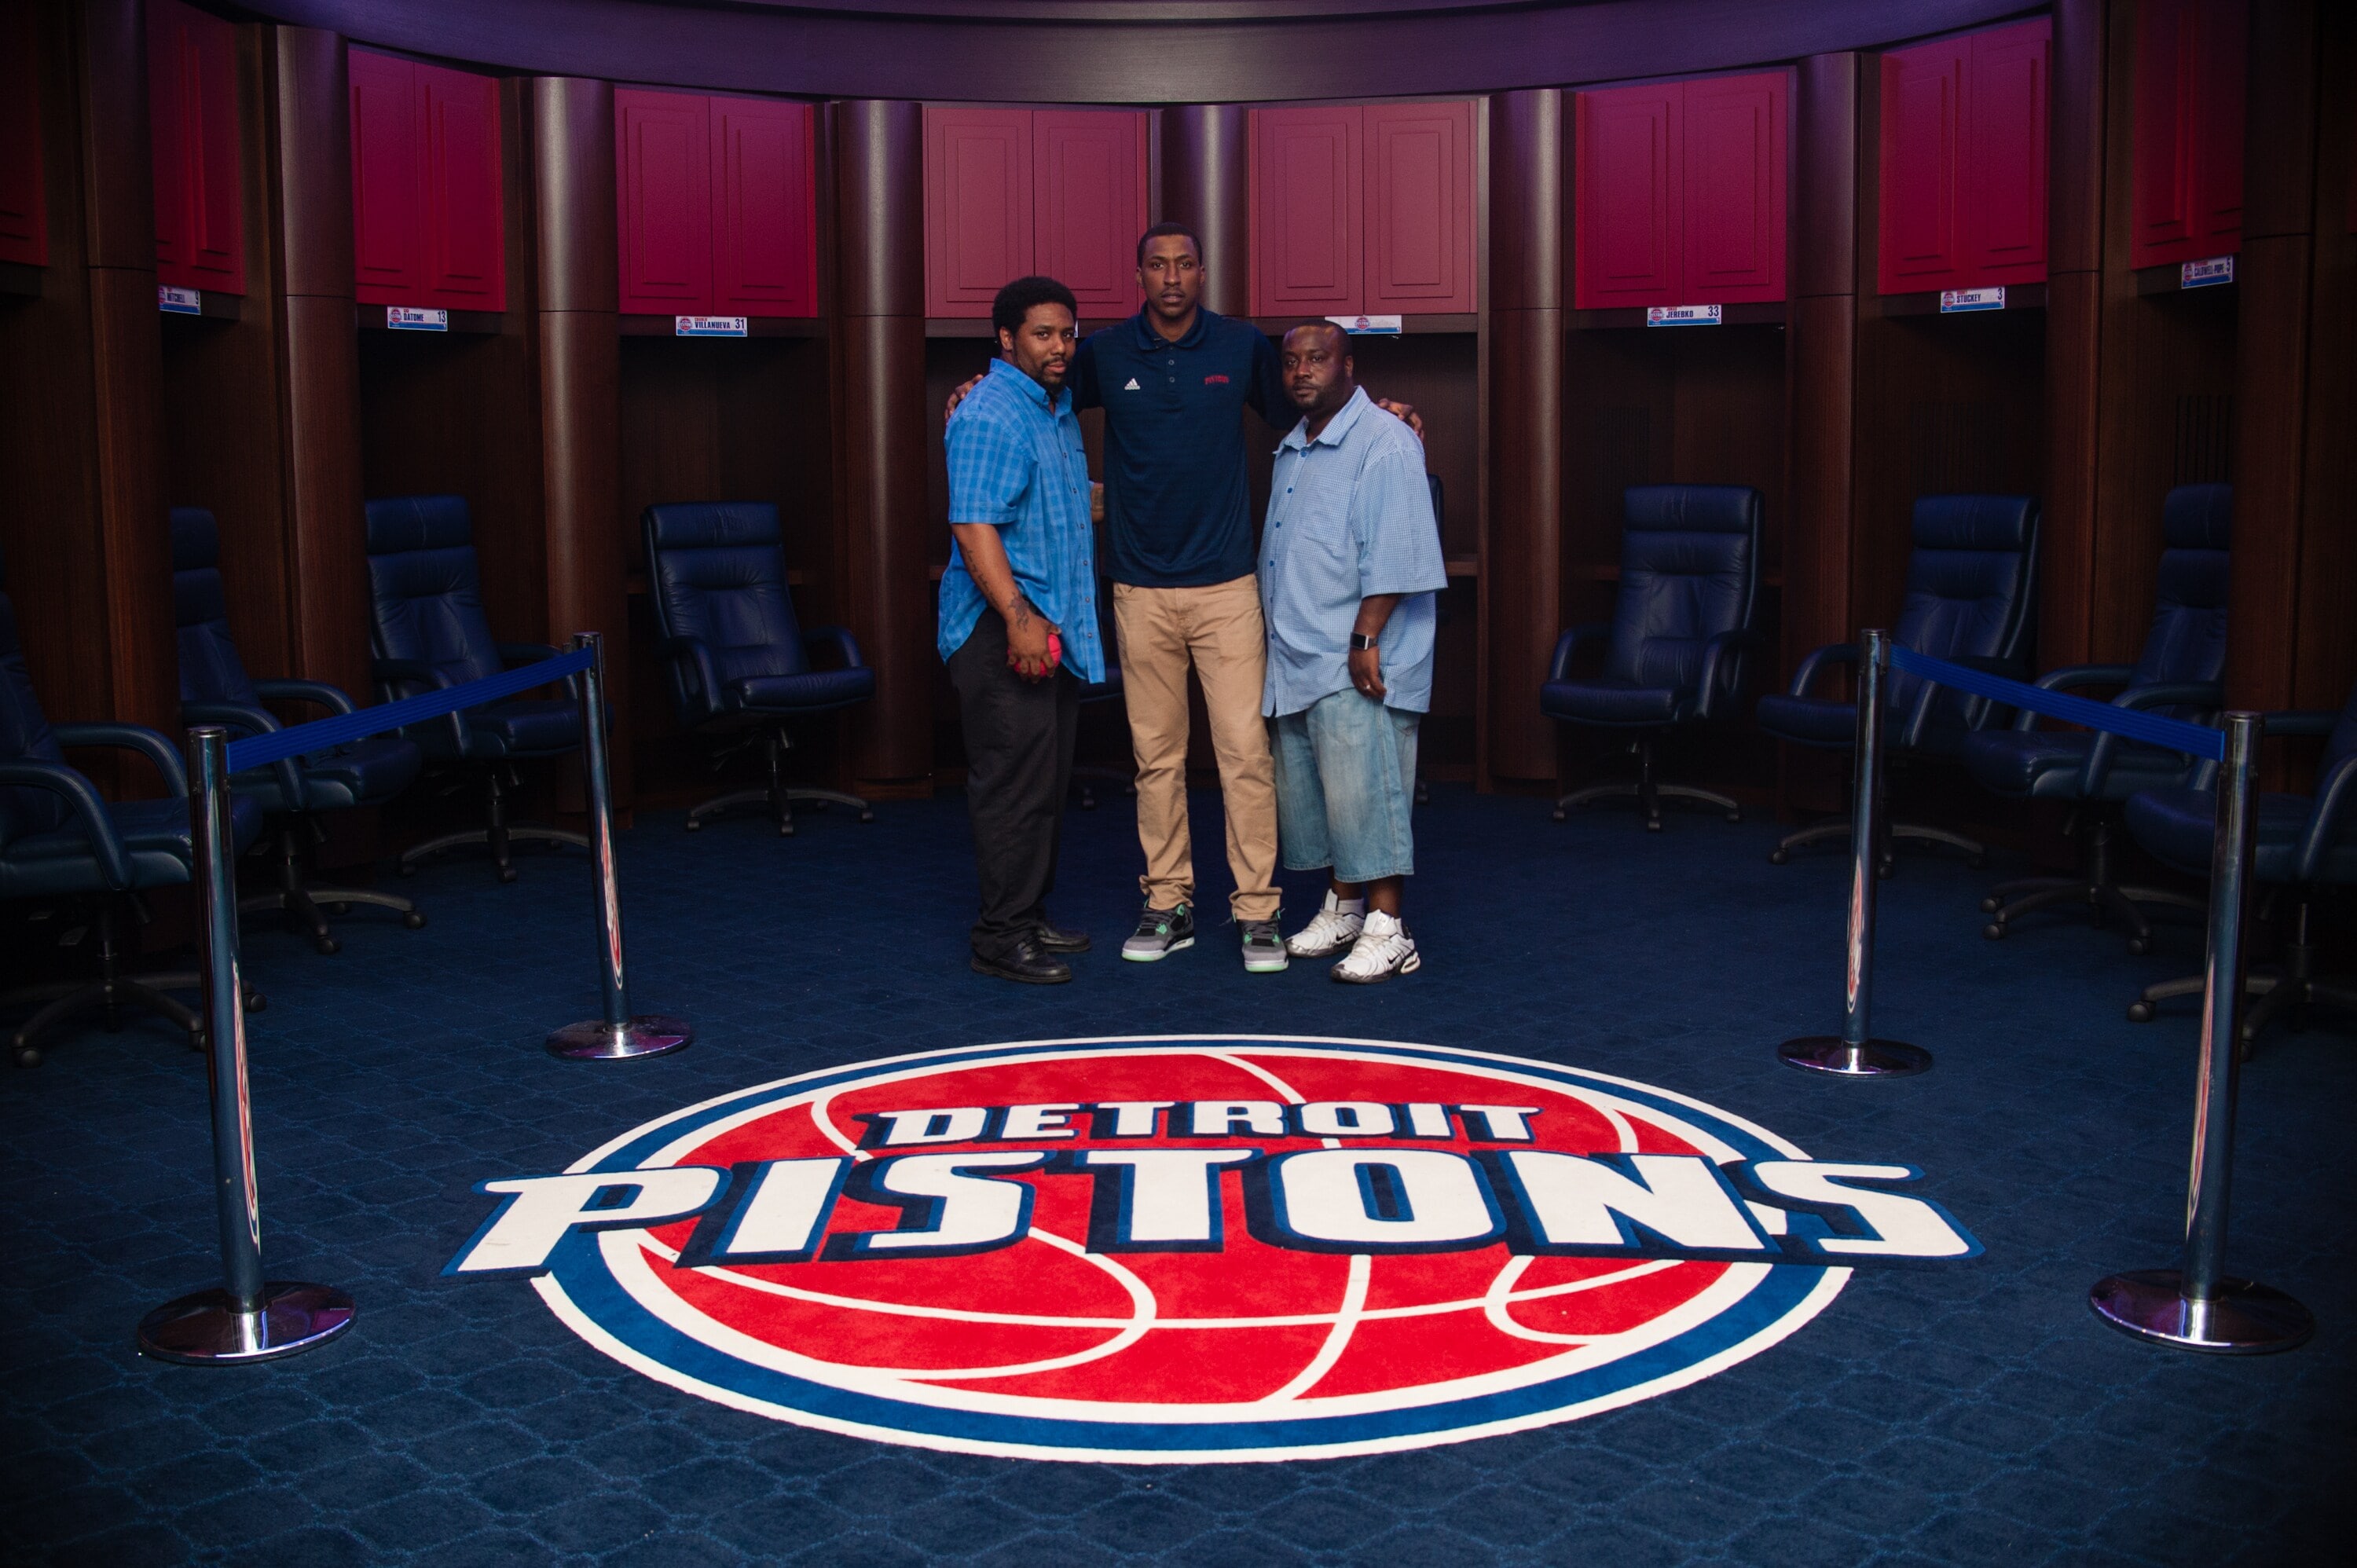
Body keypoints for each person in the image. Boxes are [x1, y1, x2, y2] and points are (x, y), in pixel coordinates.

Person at [947, 225, 1419, 975]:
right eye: (1157, 265)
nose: (1172, 277)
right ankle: (1167, 903)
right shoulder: (1100, 351)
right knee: (1156, 761)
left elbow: (1312, 403)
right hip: (1138, 589)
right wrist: (981, 381)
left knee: (1244, 757)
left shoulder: (1241, 349)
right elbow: (1036, 384)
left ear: (1203, 272)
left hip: (1229, 588)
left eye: (1185, 264)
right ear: (1138, 274)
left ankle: (1257, 913)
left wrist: (1380, 416)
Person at [1259, 321, 1447, 983]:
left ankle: (1390, 928)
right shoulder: (1295, 445)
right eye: (1290, 362)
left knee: (1370, 792)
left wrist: (1366, 637)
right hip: (1300, 652)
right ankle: (1343, 906)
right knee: (1328, 796)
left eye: (1317, 359)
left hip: (1355, 653)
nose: (1302, 372)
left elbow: (1396, 547)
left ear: (1349, 366)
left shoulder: (1386, 441)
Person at [939, 276, 1105, 984]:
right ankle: (1000, 937)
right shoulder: (992, 411)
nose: (1061, 347)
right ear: (1006, 339)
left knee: (1044, 783)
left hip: (1048, 623)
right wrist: (1019, 620)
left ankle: (1028, 914)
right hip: (1004, 628)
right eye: (1044, 334)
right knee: (1011, 785)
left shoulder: (1056, 409)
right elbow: (973, 523)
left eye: (1067, 333)